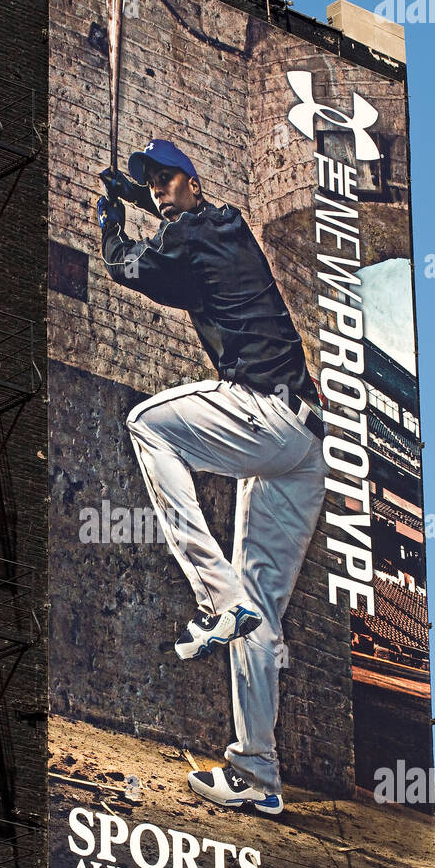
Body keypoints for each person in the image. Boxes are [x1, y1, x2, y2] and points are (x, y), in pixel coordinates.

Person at [97, 139, 326, 819]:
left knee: (147, 423)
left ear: (192, 181)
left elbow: (133, 266)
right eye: (155, 186)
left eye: (168, 181)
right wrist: (137, 192)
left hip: (262, 414)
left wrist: (111, 218)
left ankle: (213, 592)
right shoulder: (226, 224)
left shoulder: (190, 236)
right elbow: (176, 227)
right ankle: (257, 770)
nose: (162, 192)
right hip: (305, 446)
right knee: (261, 612)